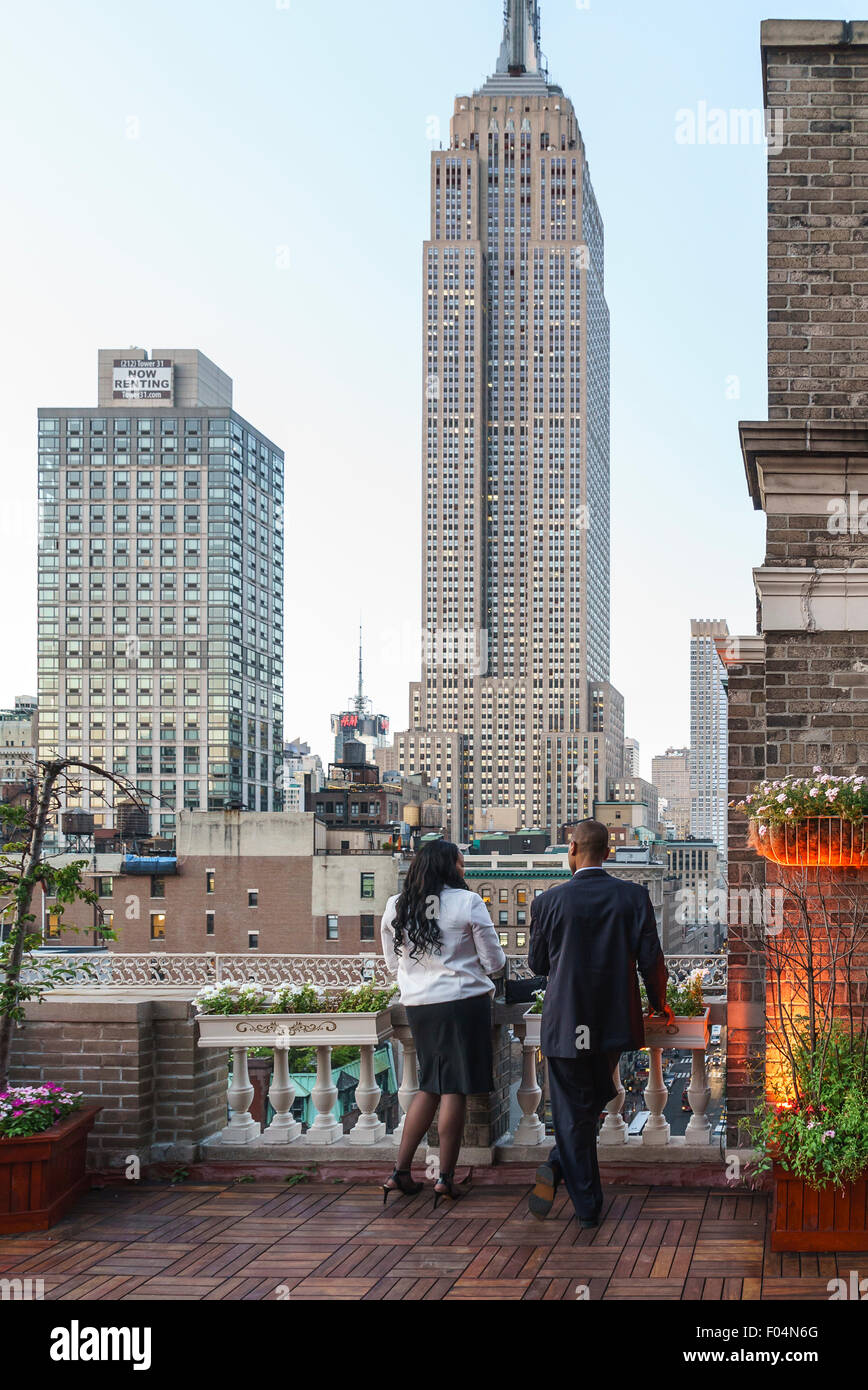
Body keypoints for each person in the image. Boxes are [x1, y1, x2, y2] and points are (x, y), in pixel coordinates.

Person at [526, 820, 669, 1228]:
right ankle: (561, 1172)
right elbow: (651, 961)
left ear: (572, 849)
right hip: (611, 1024)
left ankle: (584, 1202)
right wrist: (659, 1004)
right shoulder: (633, 897)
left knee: (576, 1111)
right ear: (608, 853)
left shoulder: (547, 902)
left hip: (565, 1023)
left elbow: (538, 965)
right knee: (587, 1104)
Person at [380, 839, 506, 1207]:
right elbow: (495, 962)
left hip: (420, 1007)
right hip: (463, 1004)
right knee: (454, 1089)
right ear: (450, 867)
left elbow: (392, 963)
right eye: (461, 864)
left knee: (430, 1085)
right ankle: (444, 1179)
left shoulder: (396, 905)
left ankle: (400, 1172)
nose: (464, 870)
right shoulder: (468, 902)